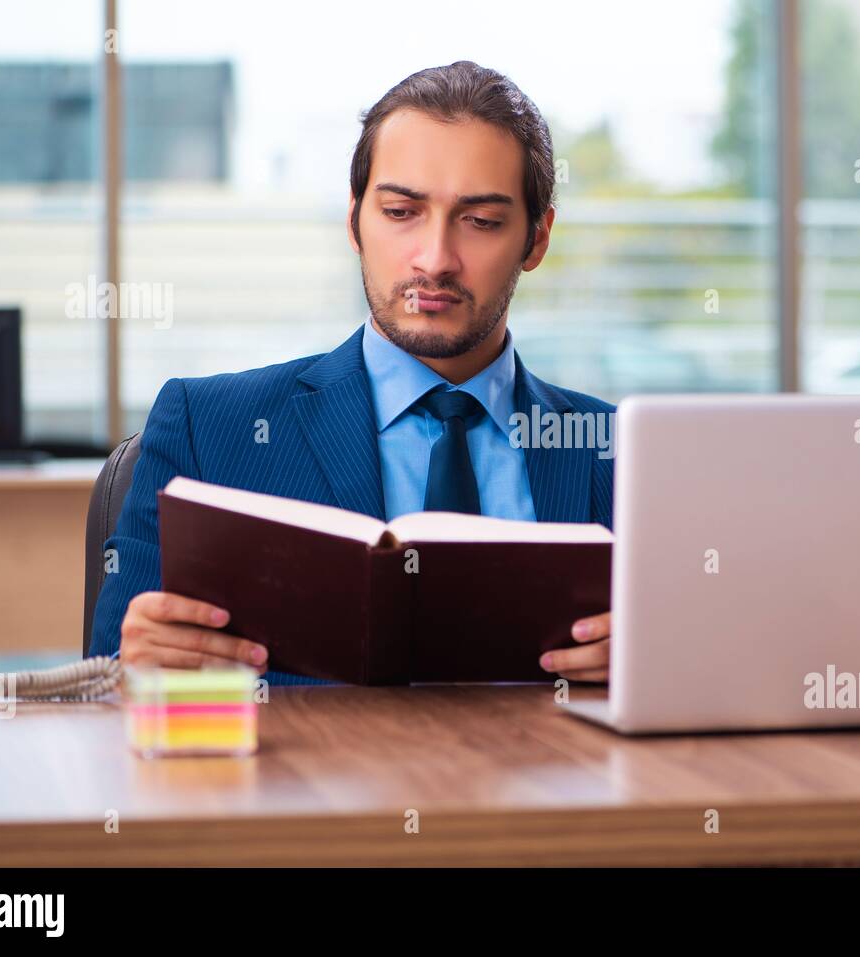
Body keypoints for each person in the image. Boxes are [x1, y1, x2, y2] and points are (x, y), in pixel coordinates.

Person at [89, 61, 615, 685]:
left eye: (481, 222)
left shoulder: (628, 456)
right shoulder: (210, 429)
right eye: (400, 212)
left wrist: (666, 662)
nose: (435, 260)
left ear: (536, 239)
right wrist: (134, 668)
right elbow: (106, 689)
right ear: (354, 221)